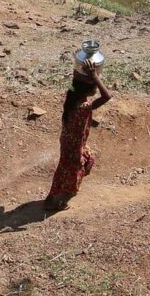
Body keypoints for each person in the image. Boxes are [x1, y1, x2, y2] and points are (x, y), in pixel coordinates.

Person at [44, 41, 112, 212]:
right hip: (74, 147)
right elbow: (107, 96)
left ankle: (52, 198)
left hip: (70, 143)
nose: (96, 88)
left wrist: (84, 71)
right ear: (87, 88)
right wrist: (94, 75)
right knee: (74, 172)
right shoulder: (83, 108)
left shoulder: (73, 101)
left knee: (68, 168)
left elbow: (75, 85)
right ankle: (60, 201)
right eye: (94, 86)